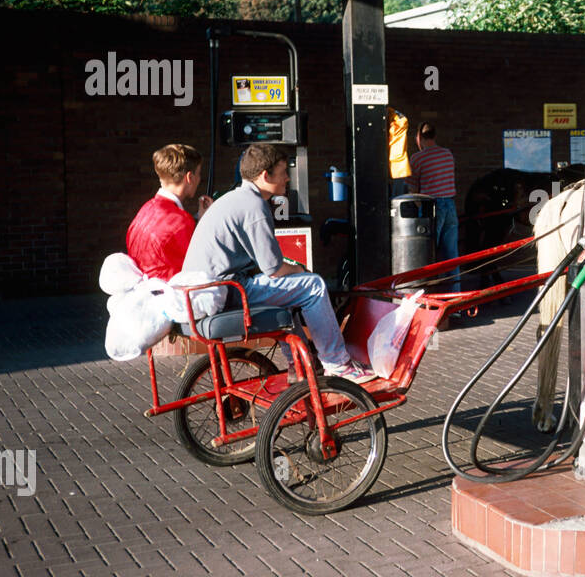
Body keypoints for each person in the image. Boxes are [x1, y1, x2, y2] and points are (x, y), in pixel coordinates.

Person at [182, 143, 374, 383]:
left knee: (291, 289)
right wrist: (301, 269)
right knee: (312, 285)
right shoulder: (254, 206)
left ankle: (299, 364)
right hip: (226, 292)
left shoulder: (232, 199)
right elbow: (273, 269)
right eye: (284, 172)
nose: (287, 179)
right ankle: (338, 363)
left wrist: (292, 273)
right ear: (265, 175)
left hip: (208, 292)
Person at [126, 143, 213, 281]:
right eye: (199, 173)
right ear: (189, 177)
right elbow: (203, 264)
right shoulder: (181, 220)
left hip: (147, 292)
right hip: (174, 295)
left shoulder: (144, 211)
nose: (199, 179)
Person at [408, 121, 459, 290]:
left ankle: (428, 293)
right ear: (434, 136)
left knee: (427, 253)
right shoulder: (448, 154)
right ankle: (455, 296)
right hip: (450, 204)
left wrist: (420, 208)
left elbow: (413, 189)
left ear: (419, 138)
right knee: (451, 254)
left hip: (431, 206)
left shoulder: (417, 158)